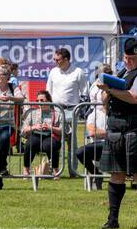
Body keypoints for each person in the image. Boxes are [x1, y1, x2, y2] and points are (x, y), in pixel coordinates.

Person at [99, 37, 137, 229]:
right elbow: (106, 97)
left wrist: (110, 90)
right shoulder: (124, 71)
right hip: (117, 128)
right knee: (116, 174)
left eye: (131, 58)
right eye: (125, 57)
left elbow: (135, 97)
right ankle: (112, 220)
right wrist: (106, 92)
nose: (127, 61)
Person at [46, 48, 88, 176]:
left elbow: (84, 92)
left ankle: (72, 170)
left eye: (57, 59)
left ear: (66, 59)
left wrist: (79, 110)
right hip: (56, 110)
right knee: (54, 139)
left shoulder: (78, 72)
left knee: (71, 141)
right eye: (54, 59)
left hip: (71, 110)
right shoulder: (53, 72)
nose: (55, 62)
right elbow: (48, 90)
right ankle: (53, 169)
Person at [20, 91, 61, 177]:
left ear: (49, 101)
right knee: (30, 144)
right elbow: (23, 129)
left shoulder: (57, 113)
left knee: (50, 145)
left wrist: (50, 127)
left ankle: (55, 171)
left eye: (42, 100)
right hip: (35, 135)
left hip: (51, 136)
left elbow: (62, 131)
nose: (39, 103)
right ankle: (26, 170)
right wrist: (34, 127)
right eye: (37, 100)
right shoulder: (32, 113)